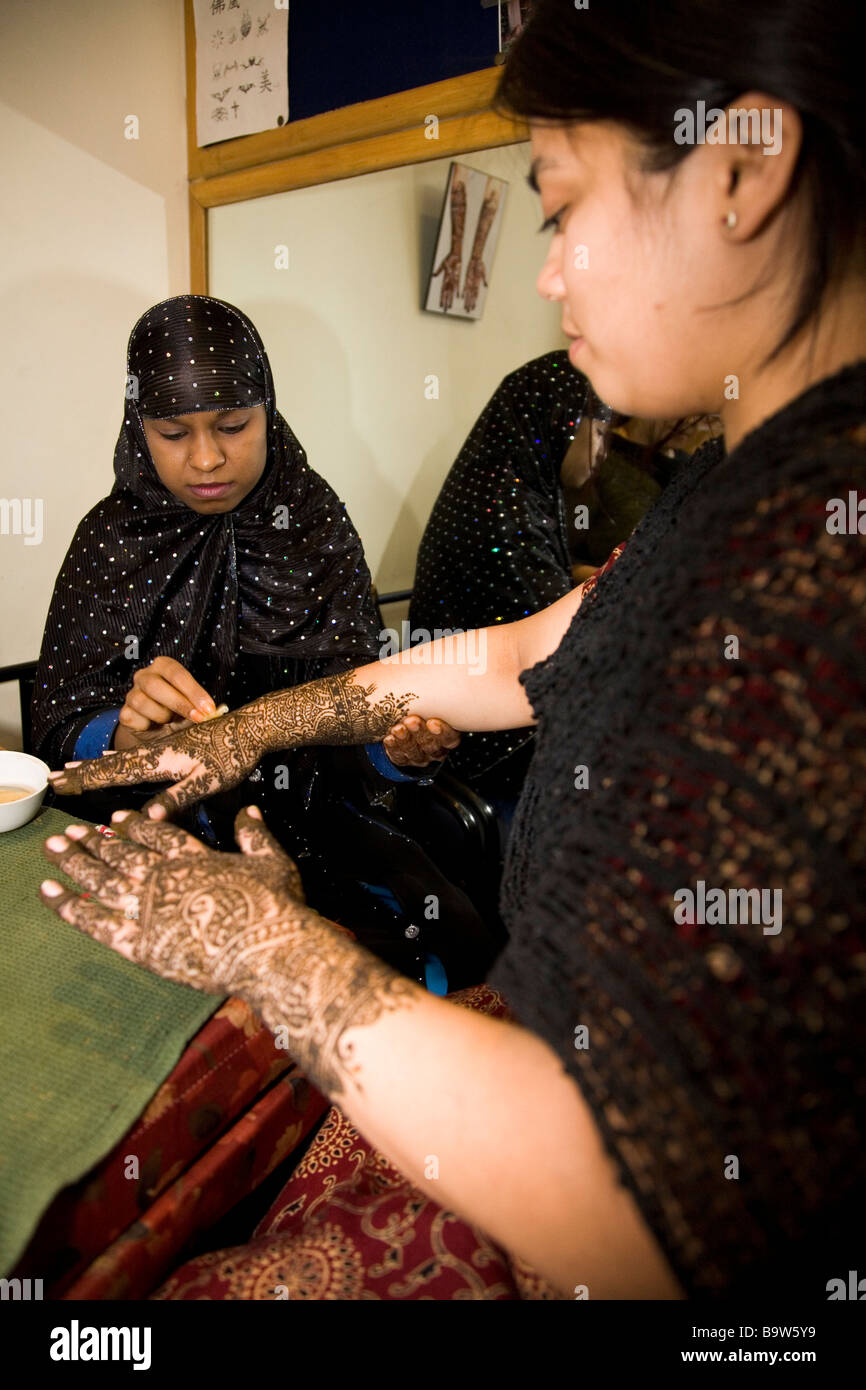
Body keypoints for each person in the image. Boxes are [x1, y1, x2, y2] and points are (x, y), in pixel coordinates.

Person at [38, 0, 865, 1300]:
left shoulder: (811, 561)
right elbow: (505, 656)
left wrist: (268, 946)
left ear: (737, 173)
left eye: (557, 206)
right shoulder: (737, 490)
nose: (546, 274)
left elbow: (631, 1209)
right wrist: (239, 732)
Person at [31, 295, 474, 983]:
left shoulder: (315, 522)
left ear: (269, 409)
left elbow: (360, 706)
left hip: (310, 818)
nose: (207, 458)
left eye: (234, 426)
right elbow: (54, 725)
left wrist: (396, 750)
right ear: (136, 427)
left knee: (442, 945)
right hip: (157, 828)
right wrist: (122, 734)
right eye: (173, 433)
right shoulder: (108, 539)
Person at [409, 349, 720, 807]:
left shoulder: (517, 489)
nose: (602, 446)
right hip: (488, 746)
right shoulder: (498, 516)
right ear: (552, 420)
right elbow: (555, 653)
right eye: (596, 426)